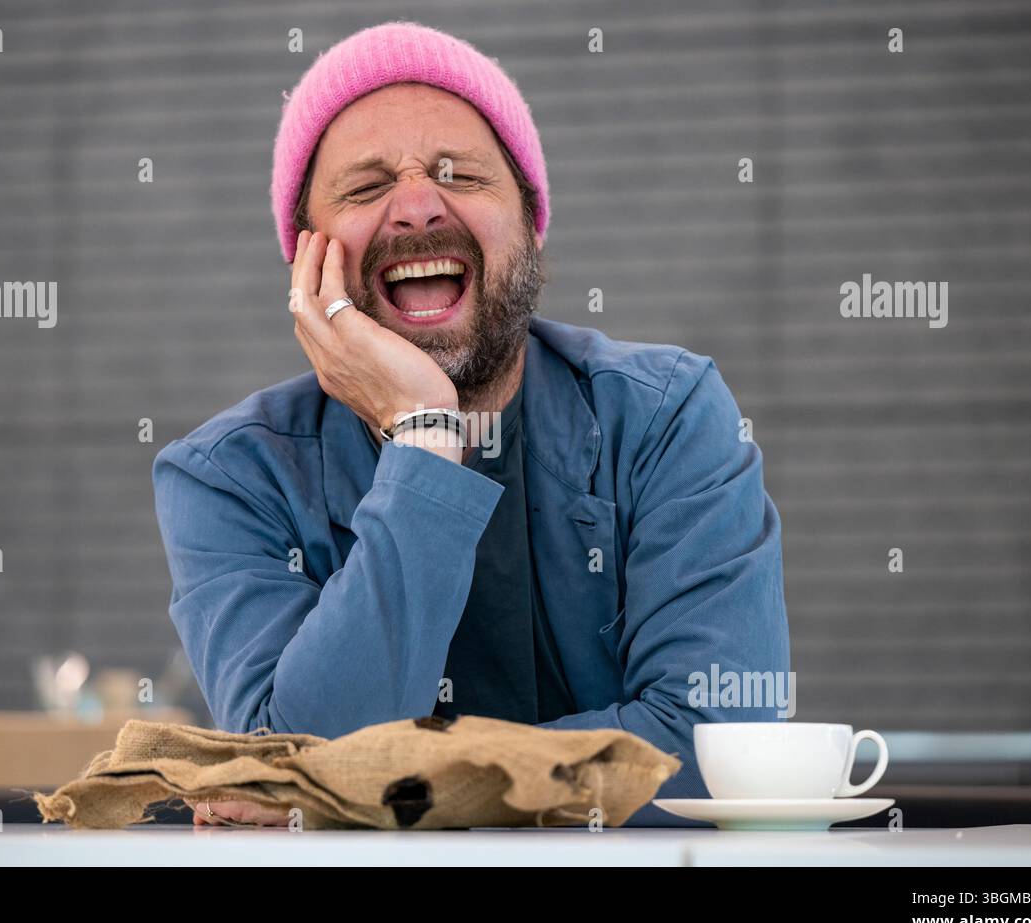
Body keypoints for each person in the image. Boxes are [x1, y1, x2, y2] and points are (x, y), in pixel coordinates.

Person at [153, 21, 790, 828]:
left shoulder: (668, 416)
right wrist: (424, 438)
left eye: (460, 176)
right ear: (308, 264)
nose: (417, 207)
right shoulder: (227, 478)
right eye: (364, 187)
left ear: (529, 224)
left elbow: (714, 752)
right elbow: (302, 765)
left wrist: (398, 788)